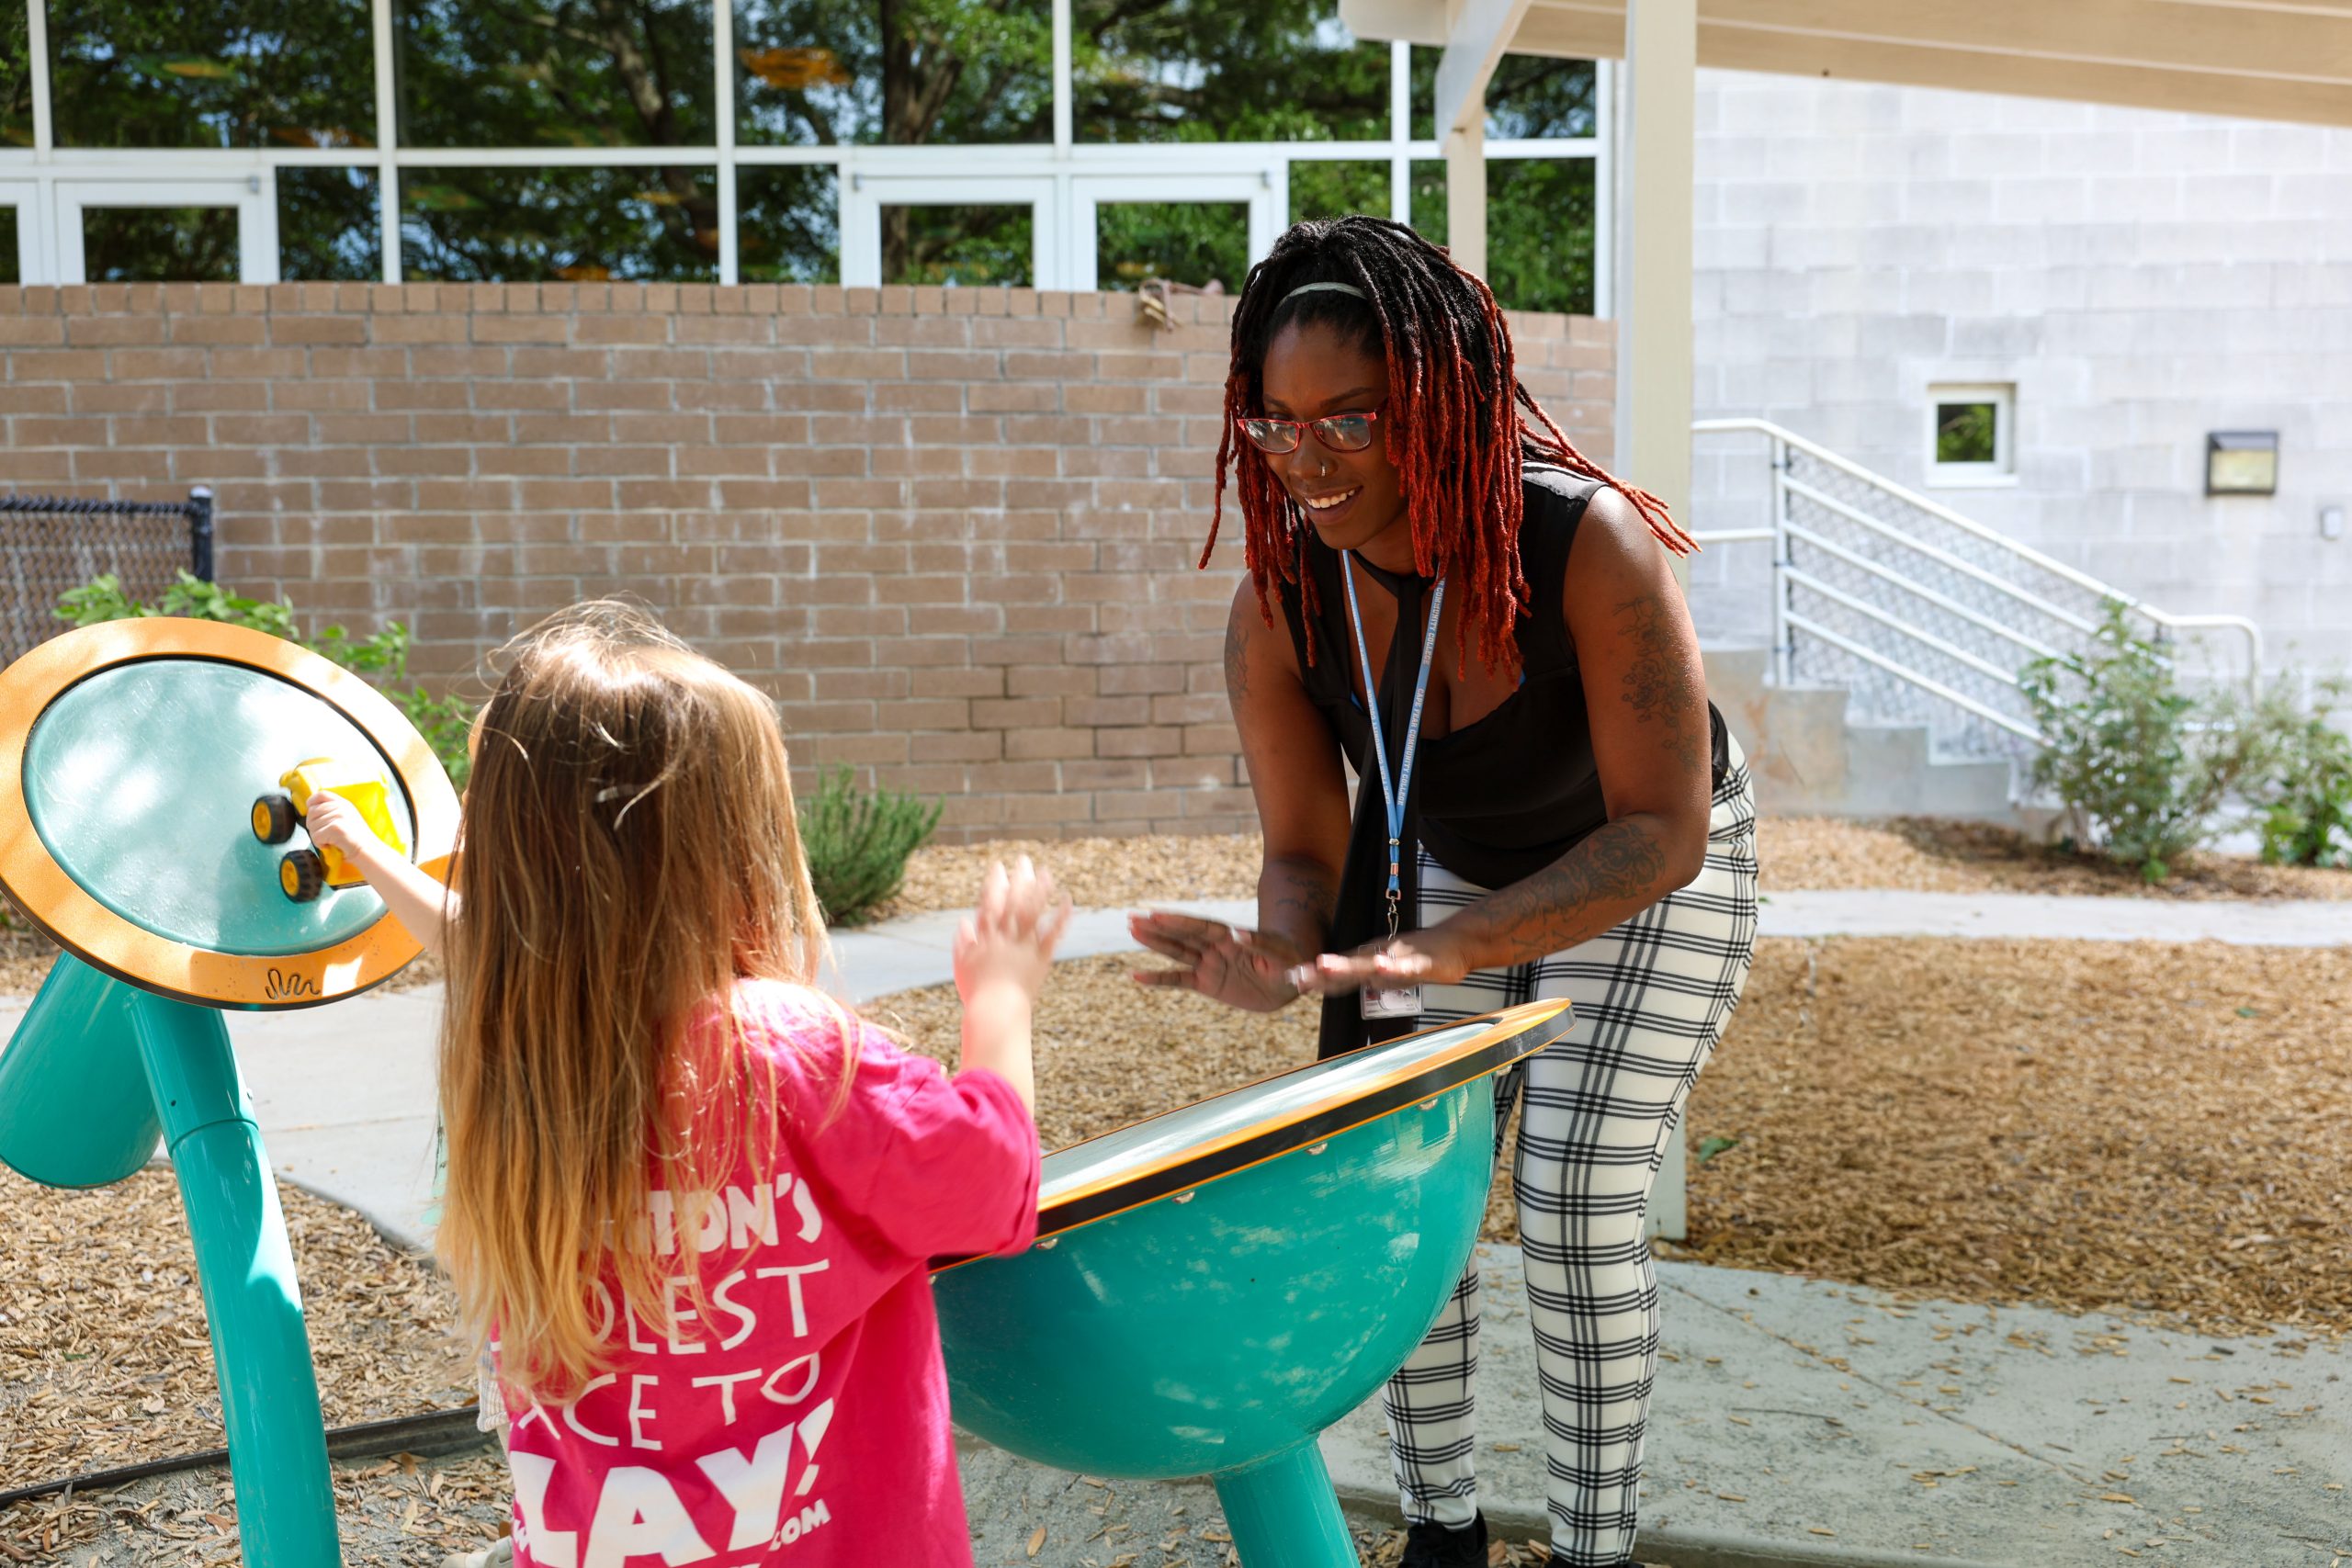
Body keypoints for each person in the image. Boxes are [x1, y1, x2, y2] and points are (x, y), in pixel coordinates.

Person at [1128, 217, 1760, 1568]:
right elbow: (1306, 846)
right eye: (1275, 423)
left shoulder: (1588, 545)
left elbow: (1664, 829)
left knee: (1574, 1190)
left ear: (1442, 405)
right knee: (1401, 1192)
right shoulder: (1282, 599)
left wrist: (1449, 946)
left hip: (1643, 863)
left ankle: (1596, 1549)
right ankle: (1444, 1531)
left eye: (1349, 421)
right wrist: (1287, 952)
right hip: (1446, 863)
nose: (1306, 460)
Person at [308, 601, 1069, 1568]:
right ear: (730, 849)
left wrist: (367, 857)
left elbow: (485, 950)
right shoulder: (790, 1057)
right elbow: (993, 1187)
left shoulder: (528, 1055)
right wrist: (997, 998)